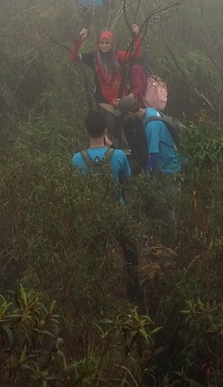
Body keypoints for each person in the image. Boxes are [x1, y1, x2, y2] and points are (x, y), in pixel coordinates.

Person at [71, 109, 141, 303]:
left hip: (91, 218)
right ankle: (134, 296)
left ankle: (94, 296)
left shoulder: (77, 159)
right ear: (105, 130)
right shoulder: (118, 156)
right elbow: (126, 182)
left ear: (86, 130)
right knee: (130, 255)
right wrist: (109, 145)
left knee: (93, 257)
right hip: (117, 215)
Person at [70, 24, 141, 138]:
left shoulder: (118, 55)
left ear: (112, 44)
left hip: (120, 96)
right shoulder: (93, 57)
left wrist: (136, 36)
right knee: (109, 123)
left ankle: (120, 148)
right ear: (98, 44)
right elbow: (74, 57)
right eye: (101, 43)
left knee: (122, 123)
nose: (104, 45)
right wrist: (80, 40)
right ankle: (108, 149)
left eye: (107, 43)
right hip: (102, 96)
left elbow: (135, 56)